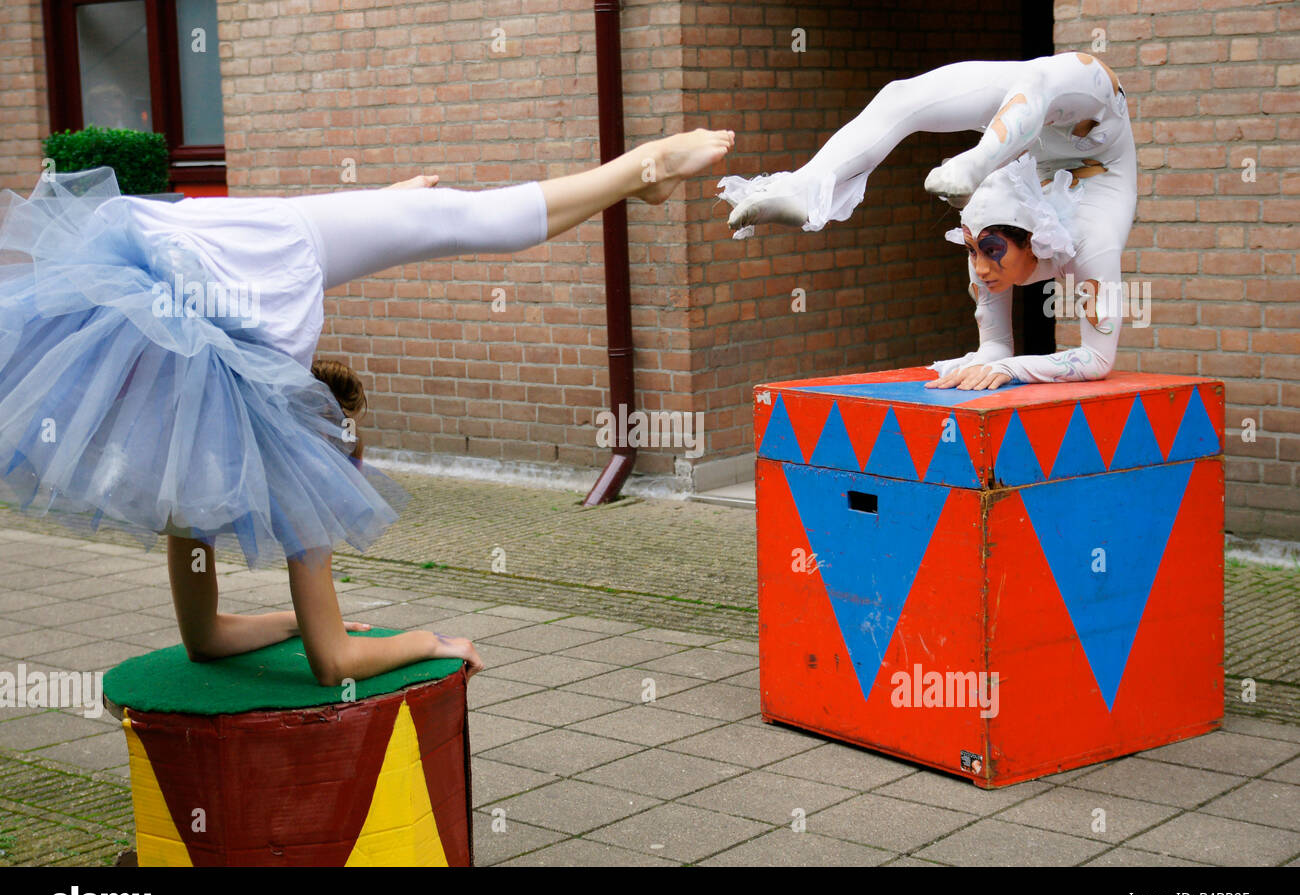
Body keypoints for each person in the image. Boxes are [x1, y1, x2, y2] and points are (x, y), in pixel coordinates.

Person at [0, 127, 734, 685]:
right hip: (156, 247)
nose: (340, 475)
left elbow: (334, 659)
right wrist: (293, 618)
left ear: (317, 437)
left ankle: (648, 165)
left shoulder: (257, 435)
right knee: (432, 219)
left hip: (214, 266)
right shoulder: (184, 446)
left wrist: (431, 643)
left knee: (457, 219)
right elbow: (210, 639)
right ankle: (627, 181)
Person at [717, 52, 1136, 389]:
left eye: (989, 252)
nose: (980, 267)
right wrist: (988, 359)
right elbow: (994, 346)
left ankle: (978, 160)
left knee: (1039, 82)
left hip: (1097, 126)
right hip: (1038, 131)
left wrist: (1014, 369)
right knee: (900, 96)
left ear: (1033, 241)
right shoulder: (992, 234)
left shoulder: (1092, 237)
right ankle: (807, 188)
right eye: (971, 248)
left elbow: (1098, 357)